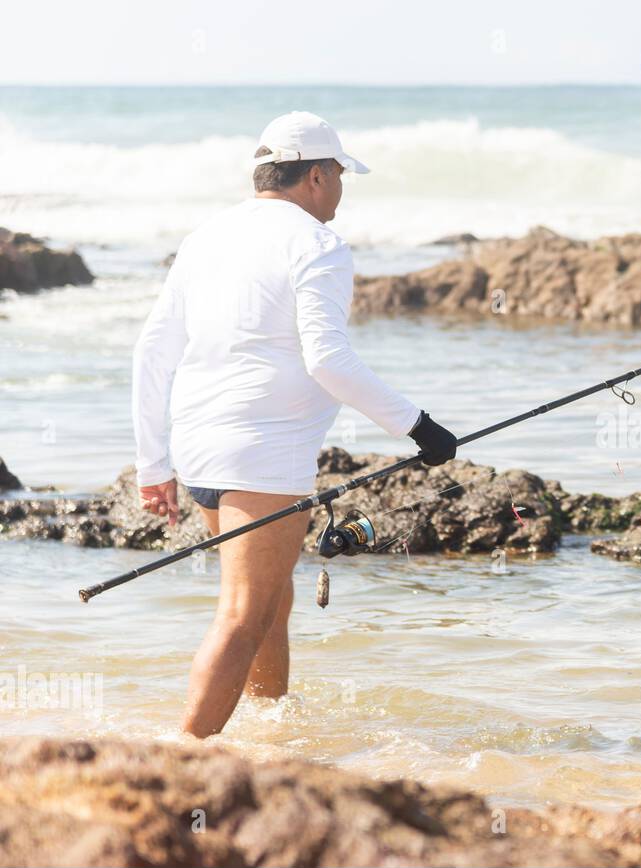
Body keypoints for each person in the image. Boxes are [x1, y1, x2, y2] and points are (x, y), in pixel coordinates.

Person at [132, 111, 457, 738]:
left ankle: (269, 734)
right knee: (243, 614)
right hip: (261, 452)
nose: (340, 188)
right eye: (338, 174)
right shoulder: (318, 244)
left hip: (198, 446)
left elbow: (153, 351)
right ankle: (180, 763)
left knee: (272, 602)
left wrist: (153, 466)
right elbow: (328, 359)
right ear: (314, 177)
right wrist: (418, 426)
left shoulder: (207, 235)